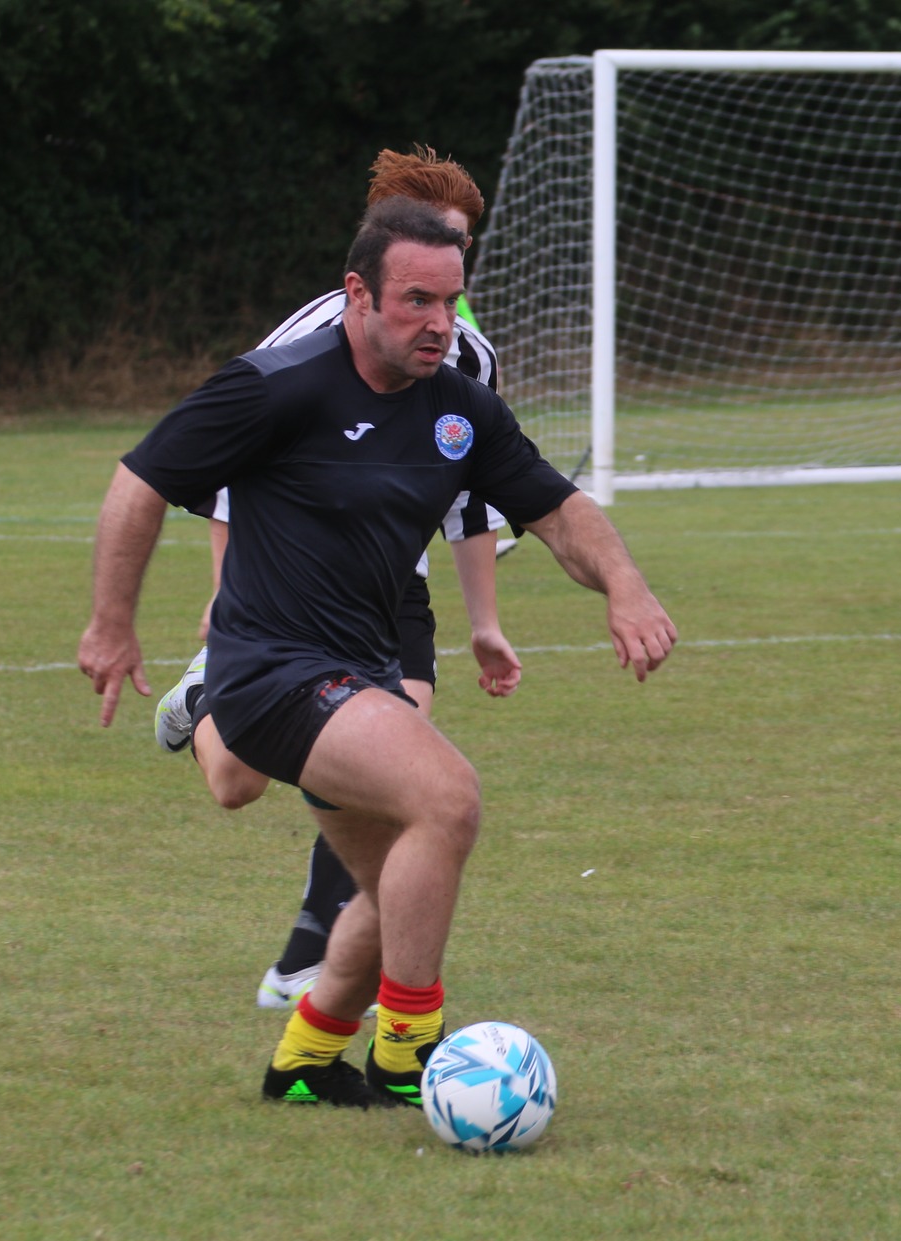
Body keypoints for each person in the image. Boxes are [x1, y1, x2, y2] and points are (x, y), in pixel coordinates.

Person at [78, 196, 677, 1107]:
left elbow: (559, 512)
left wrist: (626, 585)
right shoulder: (278, 384)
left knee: (390, 883)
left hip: (358, 668)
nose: (439, 323)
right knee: (449, 797)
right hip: (270, 670)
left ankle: (306, 1062)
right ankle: (409, 1050)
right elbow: (141, 480)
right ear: (357, 294)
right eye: (415, 302)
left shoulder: (461, 409)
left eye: (450, 302)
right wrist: (112, 623)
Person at [151, 147, 520, 1013]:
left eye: (459, 248)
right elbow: (236, 463)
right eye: (431, 245)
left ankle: (313, 958)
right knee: (234, 785)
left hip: (394, 586)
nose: (446, 268)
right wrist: (225, 588)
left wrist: (486, 621)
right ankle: (204, 700)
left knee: (409, 770)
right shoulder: (312, 339)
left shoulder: (471, 358)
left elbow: (474, 497)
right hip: (285, 588)